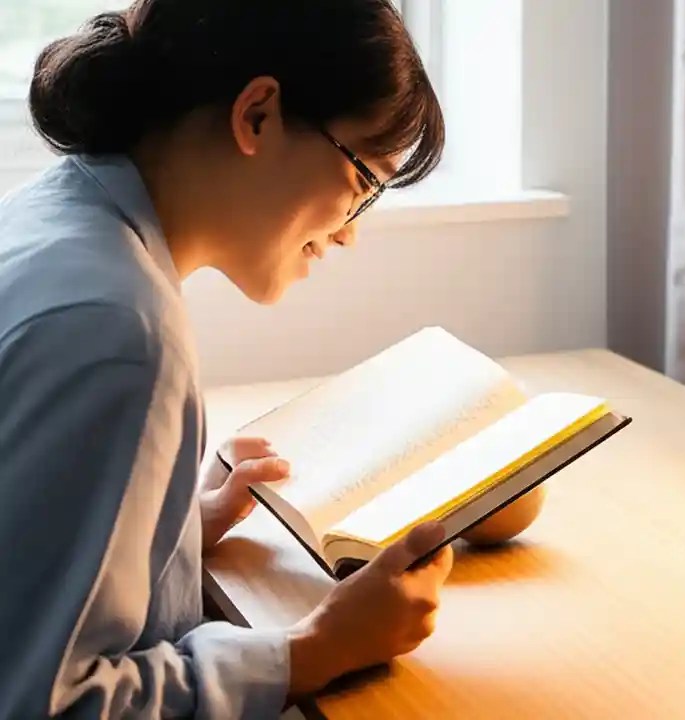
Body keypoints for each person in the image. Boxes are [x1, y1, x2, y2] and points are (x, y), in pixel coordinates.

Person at [0, 1, 540, 716]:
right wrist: (315, 648)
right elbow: (47, 702)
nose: (348, 234)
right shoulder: (120, 331)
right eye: (363, 183)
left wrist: (167, 535)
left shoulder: (54, 219)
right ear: (257, 115)